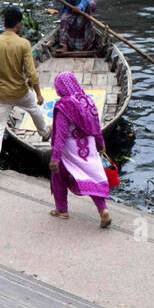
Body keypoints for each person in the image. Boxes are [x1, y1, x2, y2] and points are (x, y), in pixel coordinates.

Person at [0, 5, 50, 179]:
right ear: (18, 25)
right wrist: (38, 93)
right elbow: (31, 73)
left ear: (4, 23)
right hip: (21, 91)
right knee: (33, 108)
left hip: (2, 94)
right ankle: (44, 132)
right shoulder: (23, 44)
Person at [48, 71, 111, 228]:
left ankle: (61, 210)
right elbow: (96, 125)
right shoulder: (87, 101)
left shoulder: (64, 105)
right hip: (88, 147)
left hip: (70, 150)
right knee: (92, 177)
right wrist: (100, 143)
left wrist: (55, 157)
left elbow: (61, 134)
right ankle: (103, 210)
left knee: (58, 177)